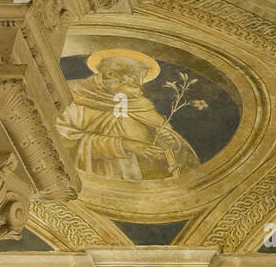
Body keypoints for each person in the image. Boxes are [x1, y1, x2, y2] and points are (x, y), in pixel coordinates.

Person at [56, 49, 197, 180]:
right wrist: (122, 145)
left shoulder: (140, 104)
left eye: (141, 79)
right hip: (93, 178)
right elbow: (61, 139)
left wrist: (169, 141)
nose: (140, 83)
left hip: (134, 180)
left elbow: (174, 145)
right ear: (109, 74)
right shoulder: (72, 93)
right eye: (134, 77)